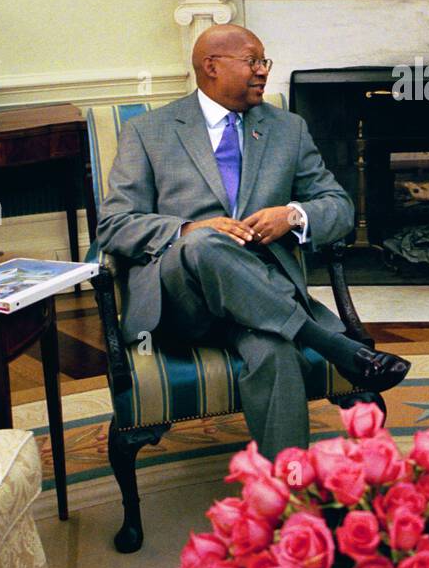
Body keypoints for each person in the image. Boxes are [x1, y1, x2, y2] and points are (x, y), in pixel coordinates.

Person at [96, 24, 410, 458]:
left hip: (260, 304)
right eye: (253, 61)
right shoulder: (149, 132)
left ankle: (286, 493)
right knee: (205, 244)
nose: (263, 71)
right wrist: (188, 230)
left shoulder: (288, 129)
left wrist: (293, 215)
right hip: (183, 300)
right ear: (211, 67)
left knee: (275, 354)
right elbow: (114, 225)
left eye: (265, 62)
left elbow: (338, 207)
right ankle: (331, 343)